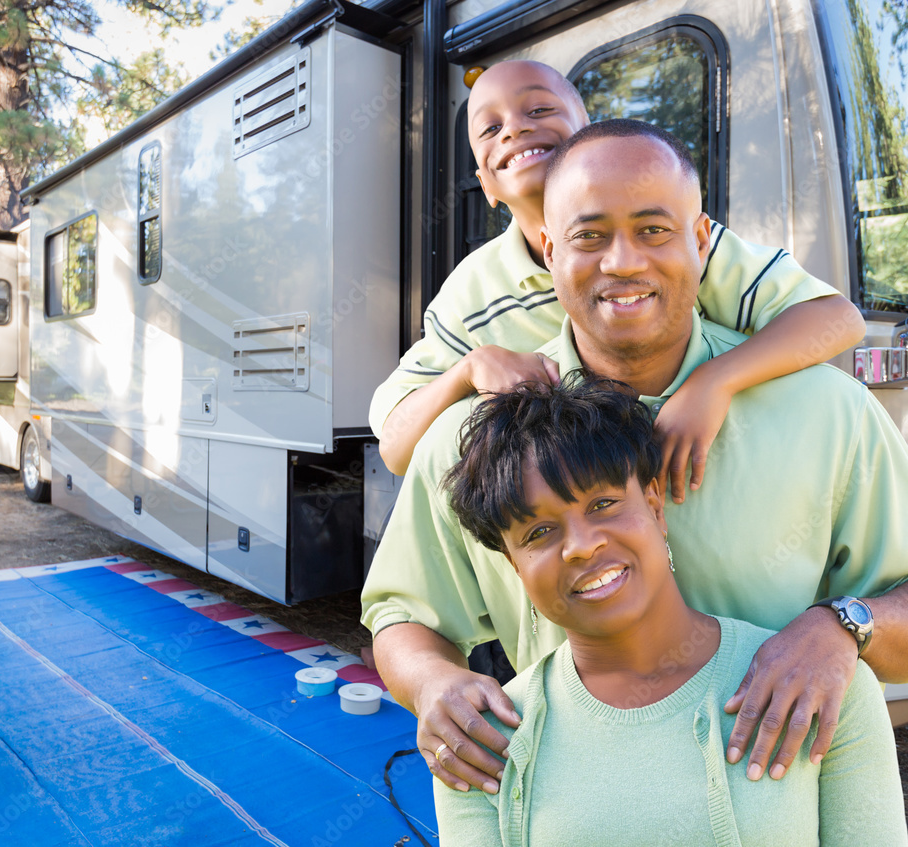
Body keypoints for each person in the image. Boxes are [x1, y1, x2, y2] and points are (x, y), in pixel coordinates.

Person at [361, 119, 908, 798]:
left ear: (701, 241)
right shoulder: (476, 439)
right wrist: (433, 682)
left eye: (653, 229)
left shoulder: (831, 412)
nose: (622, 261)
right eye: (589, 237)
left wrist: (843, 627)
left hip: (783, 813)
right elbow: (403, 613)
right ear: (550, 249)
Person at [433, 376, 907, 846]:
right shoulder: (478, 740)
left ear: (656, 508)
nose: (581, 545)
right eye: (538, 533)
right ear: (515, 567)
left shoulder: (818, 683)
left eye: (602, 503)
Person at [370, 61, 864, 508]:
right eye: (491, 128)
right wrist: (468, 369)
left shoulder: (678, 247)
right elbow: (395, 447)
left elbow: (836, 319)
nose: (515, 128)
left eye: (539, 108)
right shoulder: (472, 291)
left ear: (590, 136)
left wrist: (715, 380)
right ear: (486, 185)